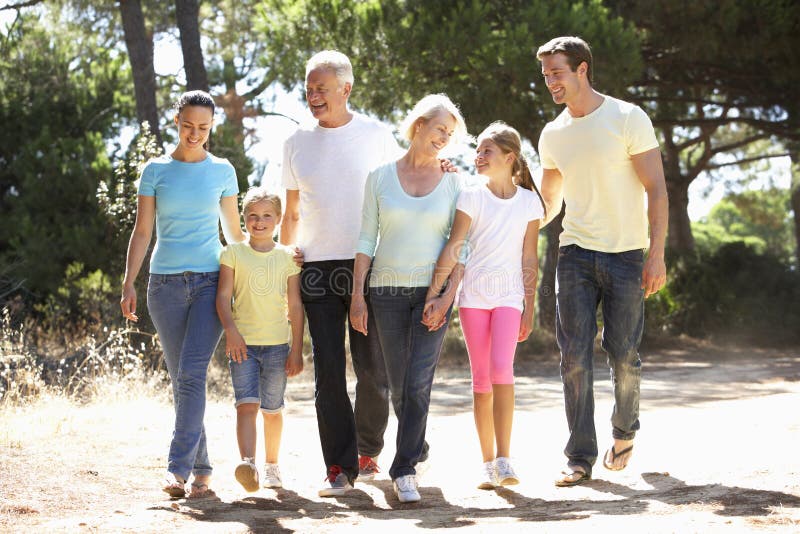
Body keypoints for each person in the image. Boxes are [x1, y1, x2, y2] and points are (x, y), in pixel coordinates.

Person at [535, 36, 668, 487]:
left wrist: (656, 254)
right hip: (574, 254)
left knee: (624, 354)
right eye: (546, 74)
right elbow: (548, 202)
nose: (550, 81)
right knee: (573, 355)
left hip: (628, 256)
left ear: (582, 69)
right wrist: (503, 210)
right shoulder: (553, 134)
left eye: (557, 72)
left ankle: (625, 430)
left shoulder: (628, 117)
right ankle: (579, 456)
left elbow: (656, 188)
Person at [279, 50, 397, 496]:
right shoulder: (295, 141)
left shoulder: (376, 135)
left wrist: (440, 169)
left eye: (321, 89)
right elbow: (291, 211)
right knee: (328, 372)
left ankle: (368, 449)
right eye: (308, 89)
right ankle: (339, 467)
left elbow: (402, 185)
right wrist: (283, 259)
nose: (313, 96)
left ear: (345, 89)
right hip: (314, 269)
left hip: (367, 263)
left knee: (372, 371)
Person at [120, 90, 246, 498]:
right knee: (182, 379)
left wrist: (259, 265)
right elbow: (143, 232)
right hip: (164, 285)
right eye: (189, 125)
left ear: (212, 127)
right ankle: (203, 470)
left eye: (204, 128)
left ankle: (177, 469)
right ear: (176, 121)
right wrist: (128, 282)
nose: (195, 134)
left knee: (191, 373)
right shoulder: (155, 170)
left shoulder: (223, 170)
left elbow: (233, 234)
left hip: (212, 283)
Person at [350, 93, 470, 504]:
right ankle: (415, 446)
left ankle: (404, 469)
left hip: (432, 293)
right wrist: (357, 296)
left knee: (417, 382)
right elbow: (367, 238)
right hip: (383, 291)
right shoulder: (380, 177)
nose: (444, 138)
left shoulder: (455, 181)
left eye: (450, 134)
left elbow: (460, 247)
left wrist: (446, 294)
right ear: (419, 124)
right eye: (440, 129)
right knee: (399, 385)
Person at [424, 121, 544, 490]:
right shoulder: (471, 196)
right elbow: (454, 246)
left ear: (510, 157)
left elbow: (529, 257)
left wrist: (530, 305)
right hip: (473, 298)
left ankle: (506, 459)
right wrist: (436, 292)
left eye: (487, 150)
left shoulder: (529, 202)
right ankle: (487, 462)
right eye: (477, 150)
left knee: (501, 371)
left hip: (509, 298)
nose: (479, 155)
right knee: (481, 379)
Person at [215, 188, 303, 492]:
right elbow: (223, 297)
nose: (259, 221)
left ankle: (272, 467)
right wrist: (231, 330)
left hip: (278, 346)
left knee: (273, 409)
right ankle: (248, 464)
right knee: (246, 405)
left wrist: (297, 349)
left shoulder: (288, 257)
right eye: (252, 216)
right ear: (244, 219)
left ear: (278, 220)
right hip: (243, 344)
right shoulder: (233, 253)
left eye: (267, 216)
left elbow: (295, 306)